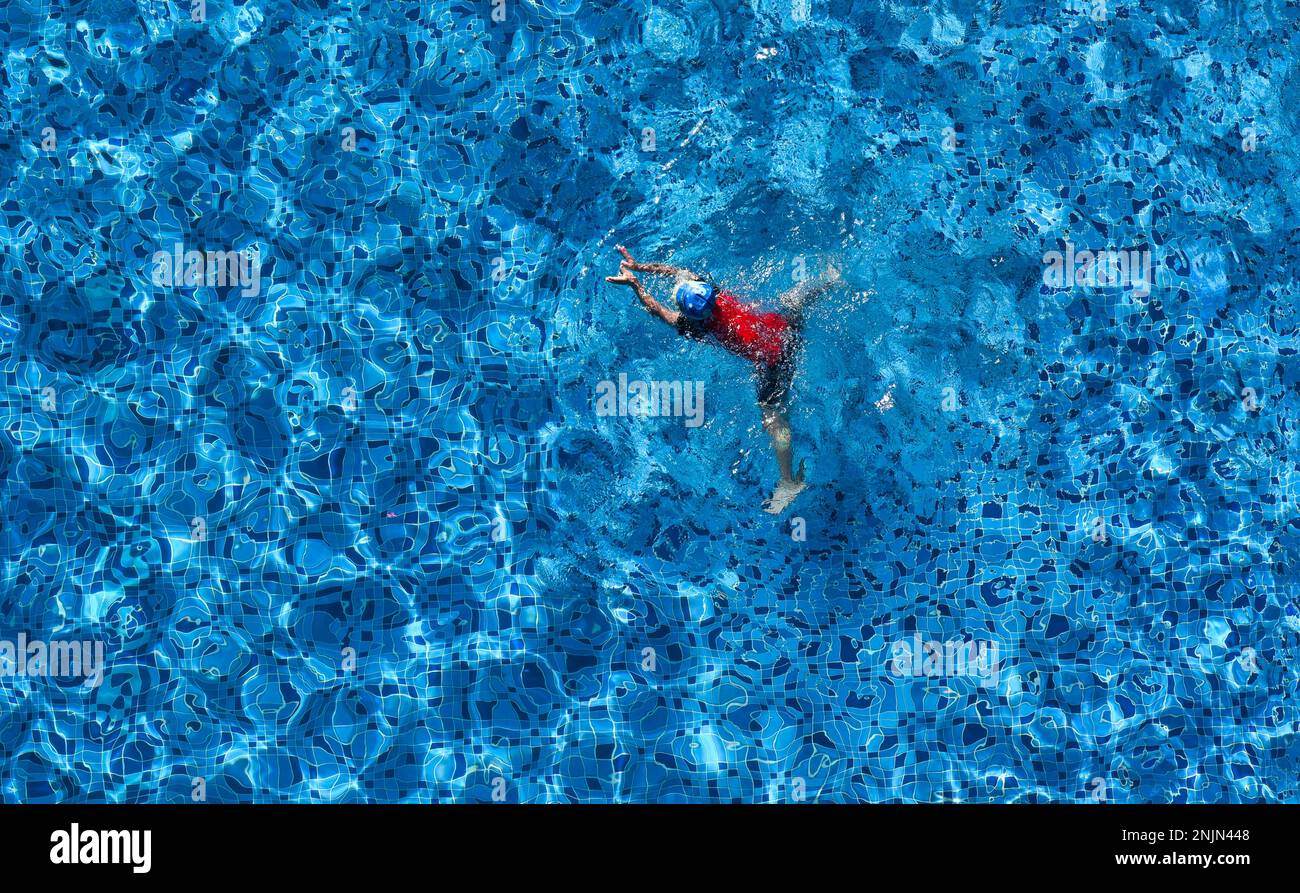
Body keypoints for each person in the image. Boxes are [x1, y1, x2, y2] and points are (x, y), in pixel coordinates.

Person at [606, 245, 838, 513]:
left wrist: (635, 284)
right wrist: (639, 266)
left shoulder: (697, 327)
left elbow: (656, 310)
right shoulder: (711, 291)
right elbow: (674, 271)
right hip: (785, 325)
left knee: (772, 417)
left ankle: (789, 481)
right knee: (795, 298)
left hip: (775, 362)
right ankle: (833, 278)